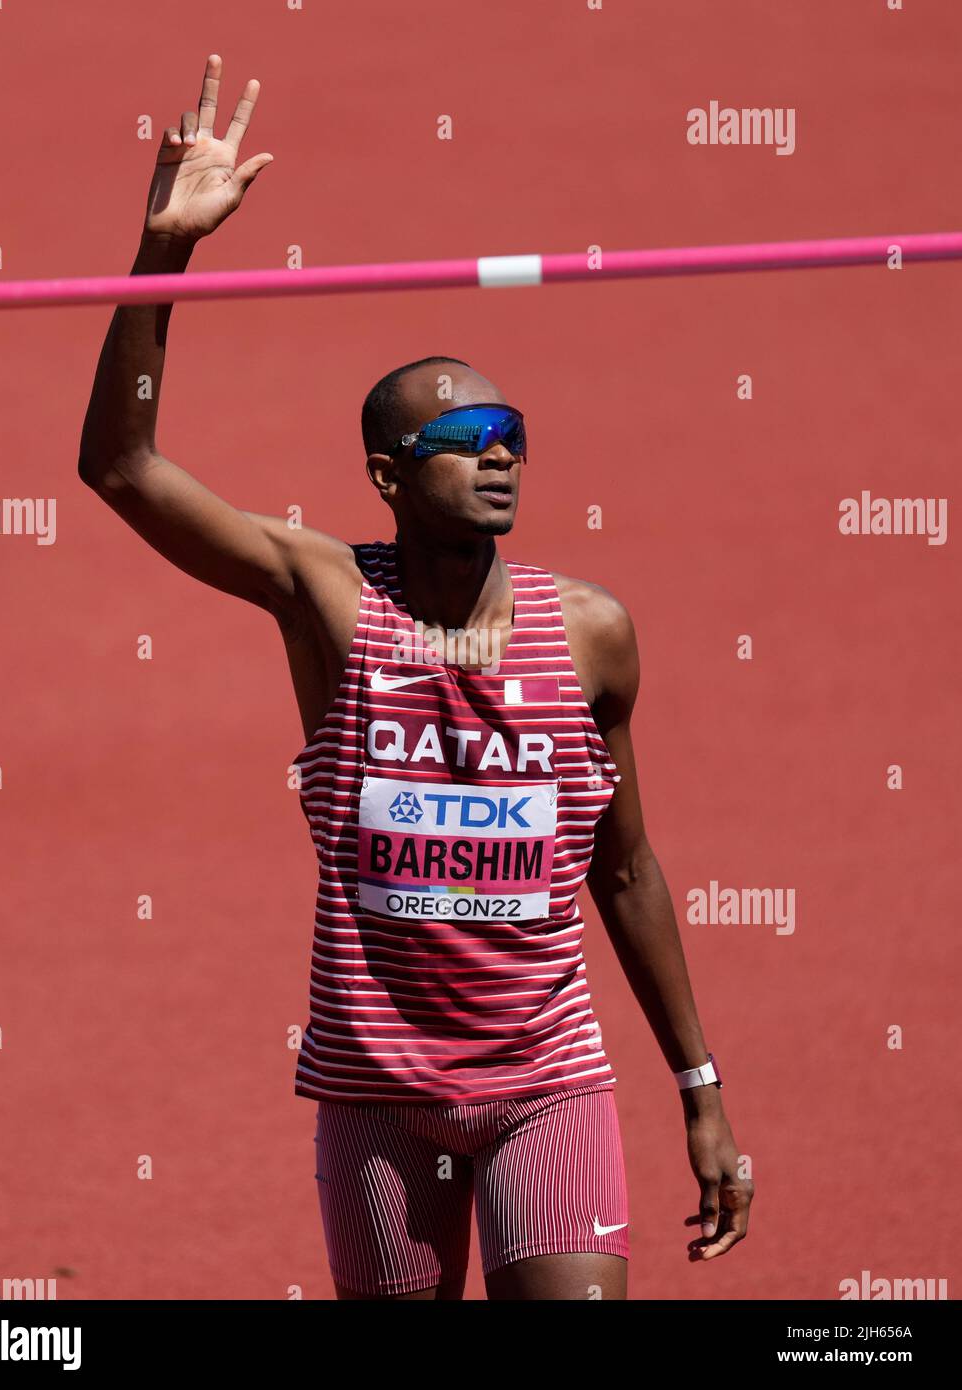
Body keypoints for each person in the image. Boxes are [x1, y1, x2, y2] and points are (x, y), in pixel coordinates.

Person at [77, 55, 754, 1302]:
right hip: (377, 1096)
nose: (496, 458)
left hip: (549, 1079)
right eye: (460, 441)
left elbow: (626, 863)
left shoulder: (592, 631)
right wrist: (160, 252)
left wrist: (700, 1090)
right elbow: (121, 469)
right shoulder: (329, 599)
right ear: (389, 476)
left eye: (513, 440)